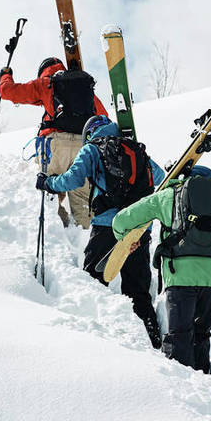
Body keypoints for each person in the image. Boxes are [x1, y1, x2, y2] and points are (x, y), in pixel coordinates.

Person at [111, 165, 211, 373]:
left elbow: (121, 220)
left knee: (179, 335)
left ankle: (183, 390)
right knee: (201, 333)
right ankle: (207, 386)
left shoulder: (168, 196)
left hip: (180, 275)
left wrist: (125, 239)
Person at [36, 115, 165, 347]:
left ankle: (98, 342)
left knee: (92, 282)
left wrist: (48, 183)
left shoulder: (93, 148)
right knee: (138, 289)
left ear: (89, 134)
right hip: (138, 227)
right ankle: (152, 341)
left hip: (108, 225)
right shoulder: (136, 149)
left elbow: (73, 179)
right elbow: (159, 177)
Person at [0, 57, 107, 228]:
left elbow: (8, 91)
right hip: (83, 148)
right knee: (83, 200)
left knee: (51, 188)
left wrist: (5, 76)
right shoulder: (84, 88)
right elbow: (103, 118)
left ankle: (58, 230)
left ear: (43, 71)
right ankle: (83, 238)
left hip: (56, 146)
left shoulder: (46, 83)